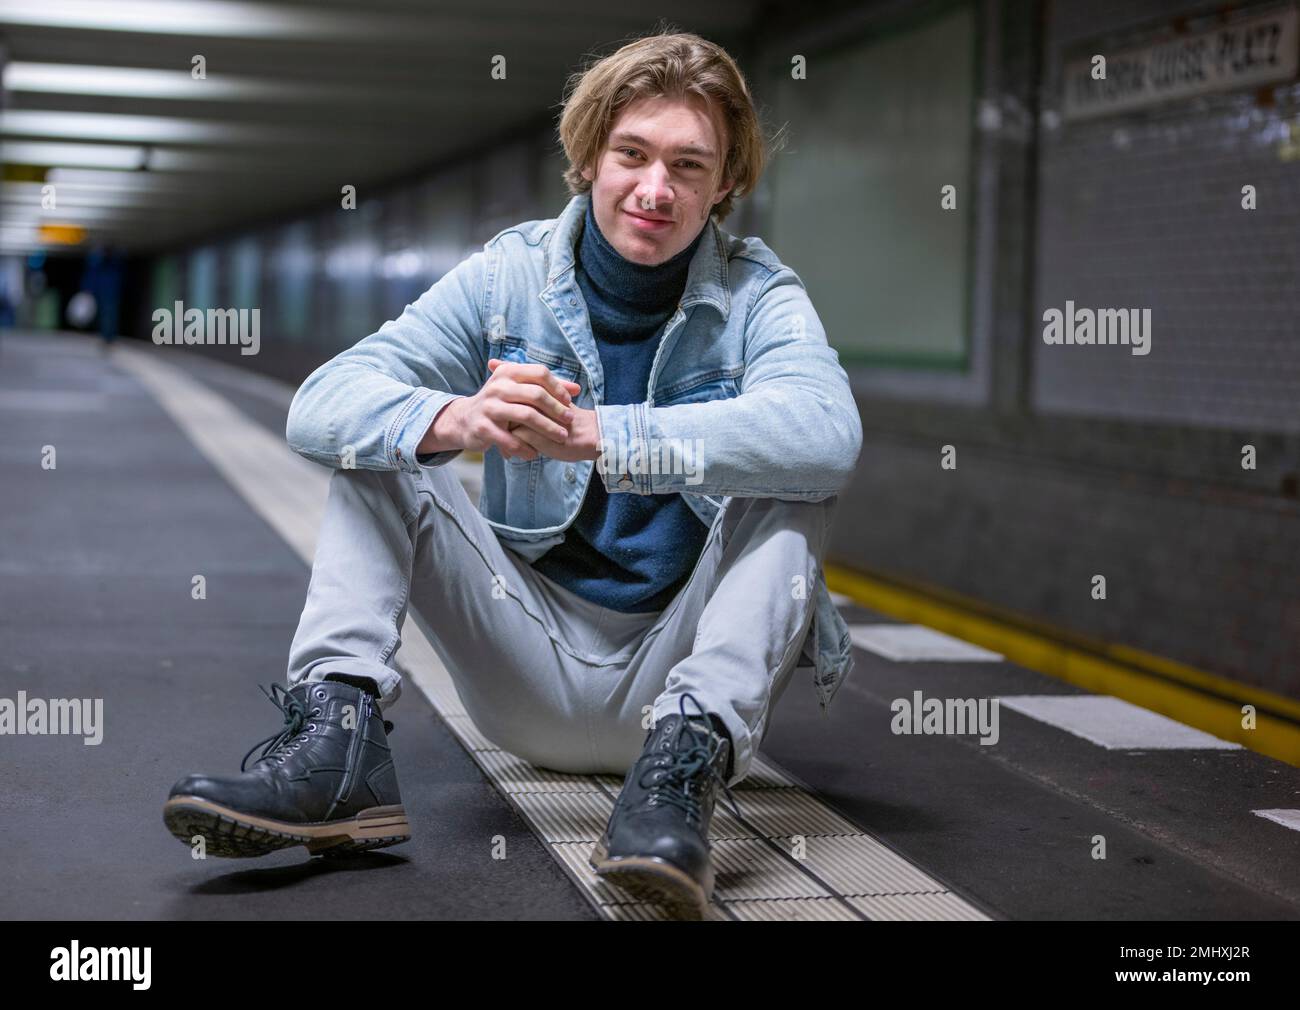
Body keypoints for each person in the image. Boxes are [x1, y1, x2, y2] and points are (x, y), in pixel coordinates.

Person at [163, 29, 862, 918]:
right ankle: (338, 755)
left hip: (678, 684)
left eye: (690, 166)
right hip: (521, 666)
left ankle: (676, 788)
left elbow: (827, 433)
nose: (656, 189)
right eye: (632, 154)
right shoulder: (507, 276)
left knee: (794, 475)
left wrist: (604, 433)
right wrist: (456, 419)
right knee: (383, 448)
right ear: (589, 157)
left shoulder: (762, 295)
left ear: (724, 185)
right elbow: (324, 401)